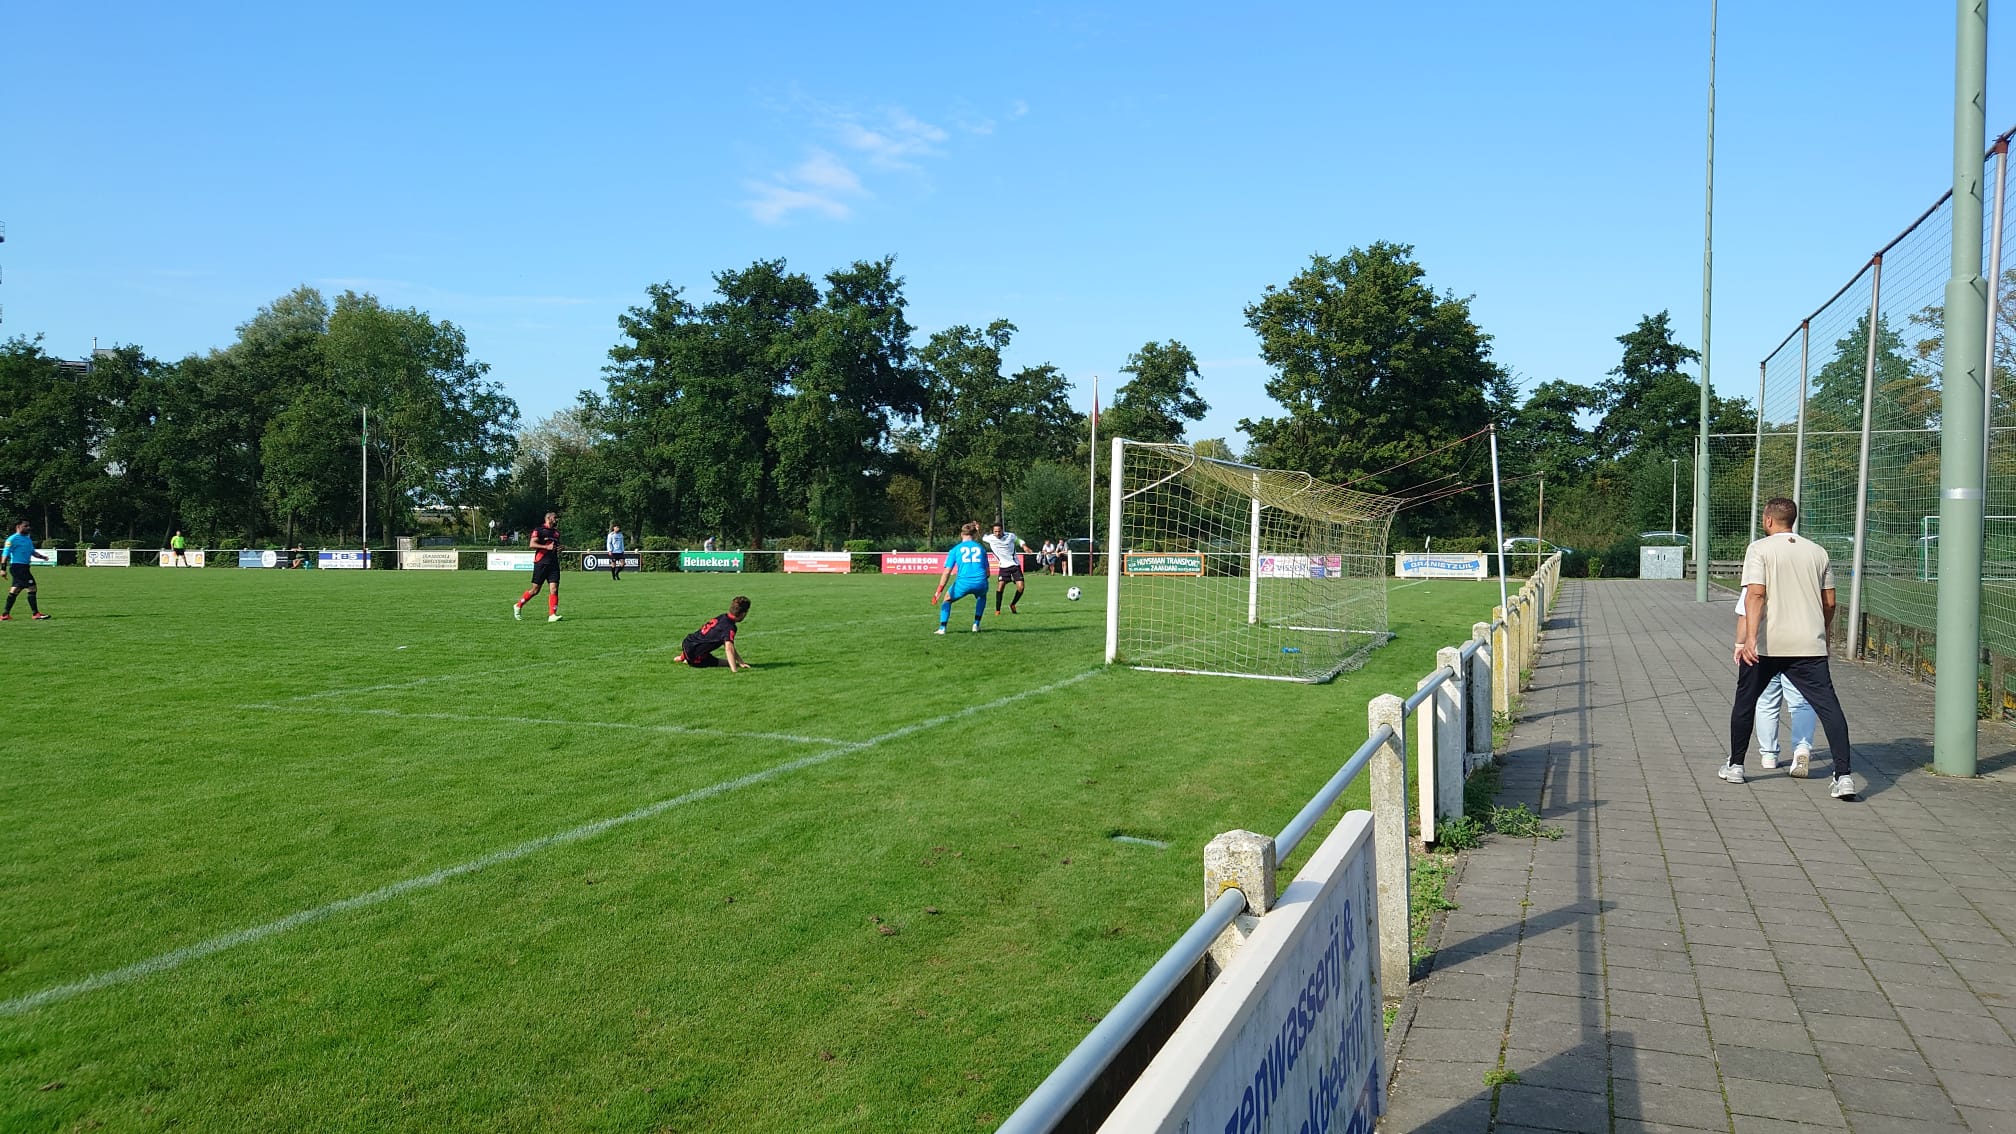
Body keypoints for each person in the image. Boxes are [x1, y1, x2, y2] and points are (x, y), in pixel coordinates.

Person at [1724, 497, 1857, 799]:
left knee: (1746, 702)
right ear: (1792, 520)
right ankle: (1844, 776)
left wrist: (1749, 639)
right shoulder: (1818, 552)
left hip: (1769, 644)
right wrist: (1820, 631)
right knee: (1829, 708)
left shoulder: (1759, 549)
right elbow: (1831, 601)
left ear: (1768, 520)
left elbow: (1755, 595)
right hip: (1808, 645)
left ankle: (1736, 766)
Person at [1734, 588, 1817, 774]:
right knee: (1801, 702)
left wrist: (1740, 643)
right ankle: (1802, 749)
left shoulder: (1758, 575)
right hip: (1799, 648)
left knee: (1766, 701)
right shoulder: (1803, 574)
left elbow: (1745, 614)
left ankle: (1769, 755)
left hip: (1765, 648)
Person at [932, 521, 992, 634]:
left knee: (947, 600)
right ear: (974, 535)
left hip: (963, 582)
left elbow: (947, 572)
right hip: (980, 581)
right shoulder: (980, 548)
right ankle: (976, 624)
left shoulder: (955, 549)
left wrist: (939, 590)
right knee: (982, 596)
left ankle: (942, 628)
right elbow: (988, 572)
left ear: (961, 534)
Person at [513, 512, 563, 622]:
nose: (556, 520)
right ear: (549, 518)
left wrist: (558, 548)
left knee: (554, 589)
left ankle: (552, 615)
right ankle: (518, 605)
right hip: (541, 563)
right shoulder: (539, 530)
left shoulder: (556, 532)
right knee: (535, 590)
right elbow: (532, 544)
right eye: (555, 518)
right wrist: (546, 547)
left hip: (553, 564)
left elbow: (554, 546)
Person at [677, 596, 751, 670]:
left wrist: (741, 662)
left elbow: (728, 645)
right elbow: (729, 648)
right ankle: (689, 659)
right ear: (743, 614)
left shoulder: (722, 617)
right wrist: (734, 669)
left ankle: (683, 657)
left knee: (701, 644)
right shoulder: (729, 627)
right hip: (695, 654)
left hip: (688, 642)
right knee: (724, 663)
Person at [2, 520, 51, 621]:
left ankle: (5, 614)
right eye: (25, 526)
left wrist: (42, 557)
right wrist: (3, 569)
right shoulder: (12, 539)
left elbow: (32, 552)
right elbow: (5, 554)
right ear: (18, 527)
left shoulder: (27, 539)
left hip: (24, 567)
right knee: (32, 587)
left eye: (29, 526)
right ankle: (36, 614)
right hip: (18, 567)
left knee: (15, 590)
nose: (28, 528)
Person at [982, 521, 1035, 615]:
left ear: (1002, 530)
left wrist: (1025, 547)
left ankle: (1013, 604)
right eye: (995, 531)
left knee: (1021, 587)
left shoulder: (1010, 536)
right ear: (993, 531)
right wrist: (978, 528)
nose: (997, 533)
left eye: (999, 531)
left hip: (1015, 565)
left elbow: (1019, 541)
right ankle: (997, 610)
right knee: (1000, 587)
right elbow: (982, 536)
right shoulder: (990, 538)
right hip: (1003, 567)